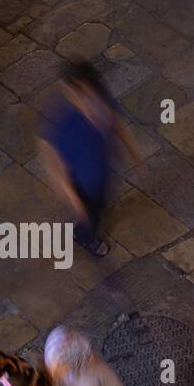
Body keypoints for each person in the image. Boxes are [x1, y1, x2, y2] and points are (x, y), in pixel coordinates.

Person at [40, 61, 141, 258]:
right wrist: (75, 200)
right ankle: (84, 236)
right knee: (91, 214)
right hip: (84, 183)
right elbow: (58, 166)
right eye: (80, 95)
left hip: (101, 170)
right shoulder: (66, 123)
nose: (88, 100)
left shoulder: (100, 97)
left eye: (89, 92)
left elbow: (115, 123)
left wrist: (134, 154)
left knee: (101, 203)